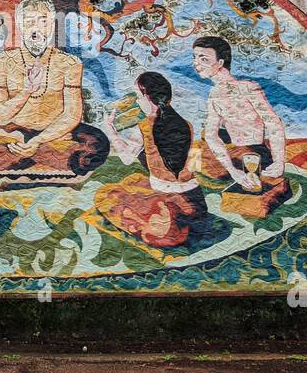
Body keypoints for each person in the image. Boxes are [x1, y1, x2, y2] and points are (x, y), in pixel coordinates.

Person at [0, 0, 109, 178]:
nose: (36, 29)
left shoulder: (70, 63)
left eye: (43, 21)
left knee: (97, 146)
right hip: (18, 131)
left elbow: (72, 115)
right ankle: (38, 157)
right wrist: (26, 91)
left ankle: (28, 157)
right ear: (20, 25)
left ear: (53, 25)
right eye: (30, 22)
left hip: (57, 135)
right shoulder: (3, 61)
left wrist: (39, 140)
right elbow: (0, 115)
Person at [97, 72, 206, 248]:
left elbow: (125, 158)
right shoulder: (187, 124)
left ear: (148, 98)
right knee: (139, 178)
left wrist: (110, 129)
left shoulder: (144, 126)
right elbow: (194, 164)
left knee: (110, 198)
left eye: (139, 97)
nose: (138, 102)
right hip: (196, 200)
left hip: (167, 205)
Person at [191, 36, 289, 207]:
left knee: (196, 160)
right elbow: (211, 136)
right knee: (193, 154)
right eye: (195, 57)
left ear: (220, 62)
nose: (196, 63)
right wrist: (232, 170)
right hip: (232, 157)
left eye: (204, 59)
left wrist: (279, 161)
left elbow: (273, 123)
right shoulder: (215, 94)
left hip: (253, 155)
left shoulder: (247, 87)